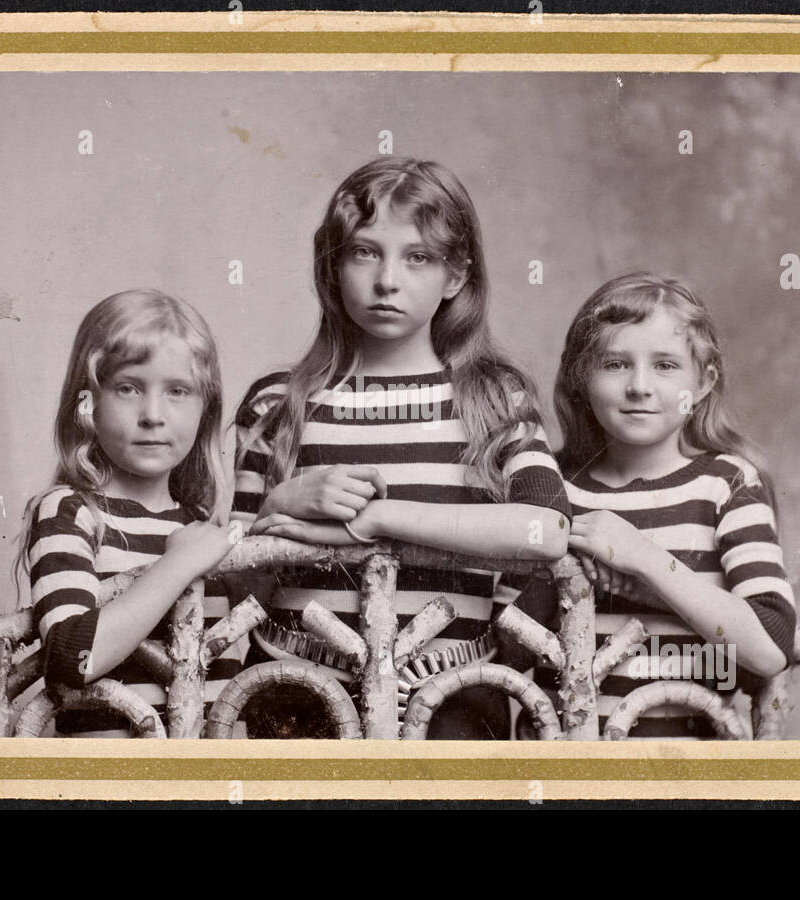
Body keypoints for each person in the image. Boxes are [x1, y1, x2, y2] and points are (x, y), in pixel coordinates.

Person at [233, 156, 571, 739]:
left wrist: (380, 519)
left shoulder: (494, 399)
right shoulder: (278, 402)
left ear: (457, 276)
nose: (387, 280)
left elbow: (548, 529)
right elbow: (232, 581)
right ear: (334, 265)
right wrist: (279, 505)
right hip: (299, 694)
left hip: (452, 695)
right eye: (365, 252)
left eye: (418, 257)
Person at [543, 271, 795, 738]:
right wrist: (562, 568)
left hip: (689, 761)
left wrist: (645, 560)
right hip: (571, 758)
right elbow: (510, 647)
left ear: (703, 382)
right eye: (616, 364)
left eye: (665, 366)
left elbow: (770, 649)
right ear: (581, 377)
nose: (639, 386)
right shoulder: (554, 486)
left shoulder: (728, 484)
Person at [17, 289, 238, 737]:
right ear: (87, 404)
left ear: (204, 409)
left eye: (178, 391)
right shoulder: (70, 512)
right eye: (128, 388)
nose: (153, 415)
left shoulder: (197, 526)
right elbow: (71, 659)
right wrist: (175, 566)